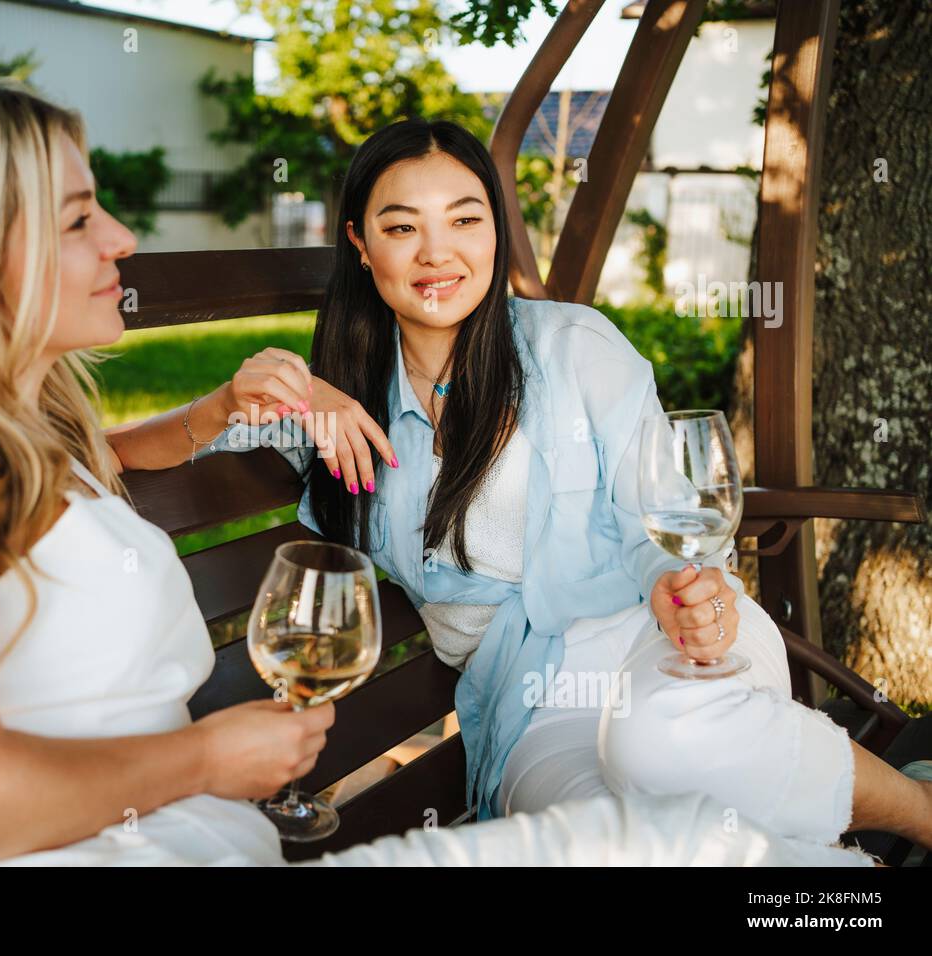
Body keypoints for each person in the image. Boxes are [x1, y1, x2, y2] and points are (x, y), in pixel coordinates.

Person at [0, 79, 878, 867]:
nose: (123, 238)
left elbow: (95, 465)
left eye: (465, 219)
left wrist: (215, 408)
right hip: (191, 828)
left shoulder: (23, 431)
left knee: (680, 818)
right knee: (674, 837)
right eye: (82, 218)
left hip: (217, 833)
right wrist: (208, 755)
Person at [198, 117, 932, 855]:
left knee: (657, 741)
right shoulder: (337, 409)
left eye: (465, 219)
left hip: (658, 635)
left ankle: (922, 811)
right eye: (401, 227)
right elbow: (131, 455)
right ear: (359, 243)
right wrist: (242, 394)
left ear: (495, 230)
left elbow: (660, 515)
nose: (437, 252)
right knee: (622, 849)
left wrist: (676, 587)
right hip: (534, 705)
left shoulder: (571, 345)